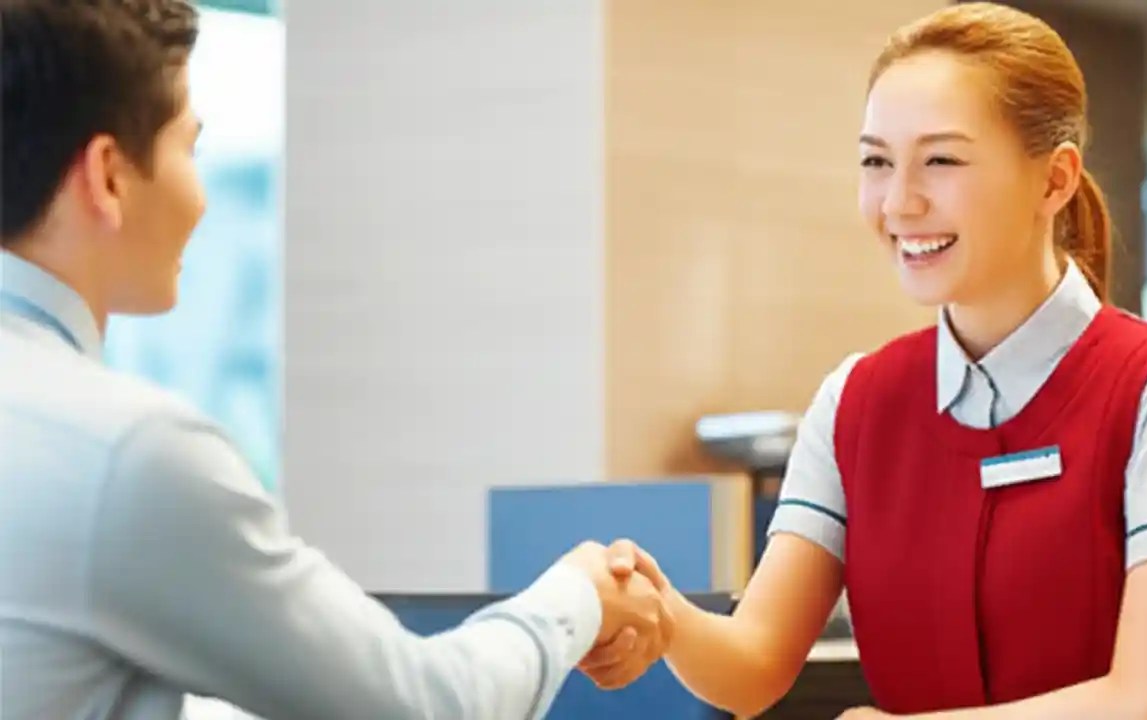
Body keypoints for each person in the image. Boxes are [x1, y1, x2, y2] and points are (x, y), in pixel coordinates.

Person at [0, 2, 669, 719]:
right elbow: (427, 707)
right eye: (189, 149)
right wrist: (580, 594)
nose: (201, 200)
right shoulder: (129, 457)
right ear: (108, 177)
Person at [579, 4, 1147, 719]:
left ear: (1054, 181)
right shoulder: (855, 401)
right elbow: (754, 665)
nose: (899, 202)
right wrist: (663, 615)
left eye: (941, 160)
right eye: (876, 161)